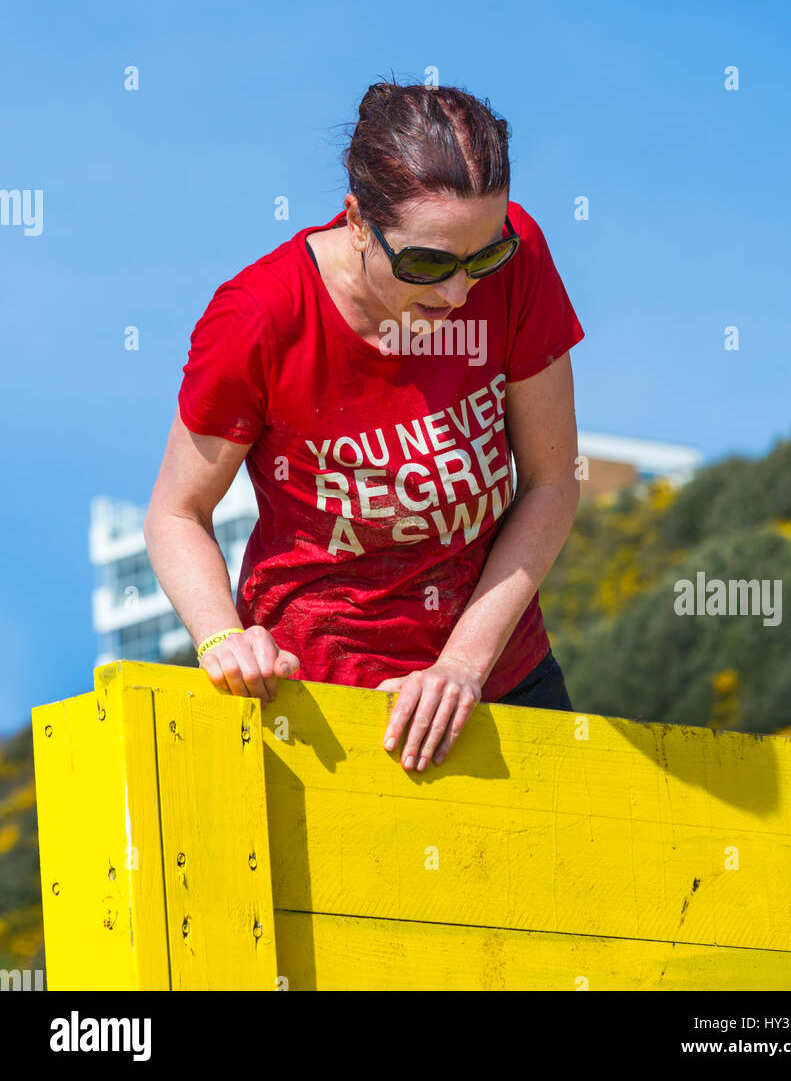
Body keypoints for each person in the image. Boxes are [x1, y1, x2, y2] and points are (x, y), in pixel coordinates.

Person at [143, 80, 585, 774]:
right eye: (427, 263)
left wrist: (461, 666)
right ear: (355, 221)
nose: (458, 292)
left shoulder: (519, 255)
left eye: (483, 257)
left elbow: (553, 483)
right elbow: (177, 512)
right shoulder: (260, 317)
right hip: (319, 699)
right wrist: (219, 638)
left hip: (497, 677)